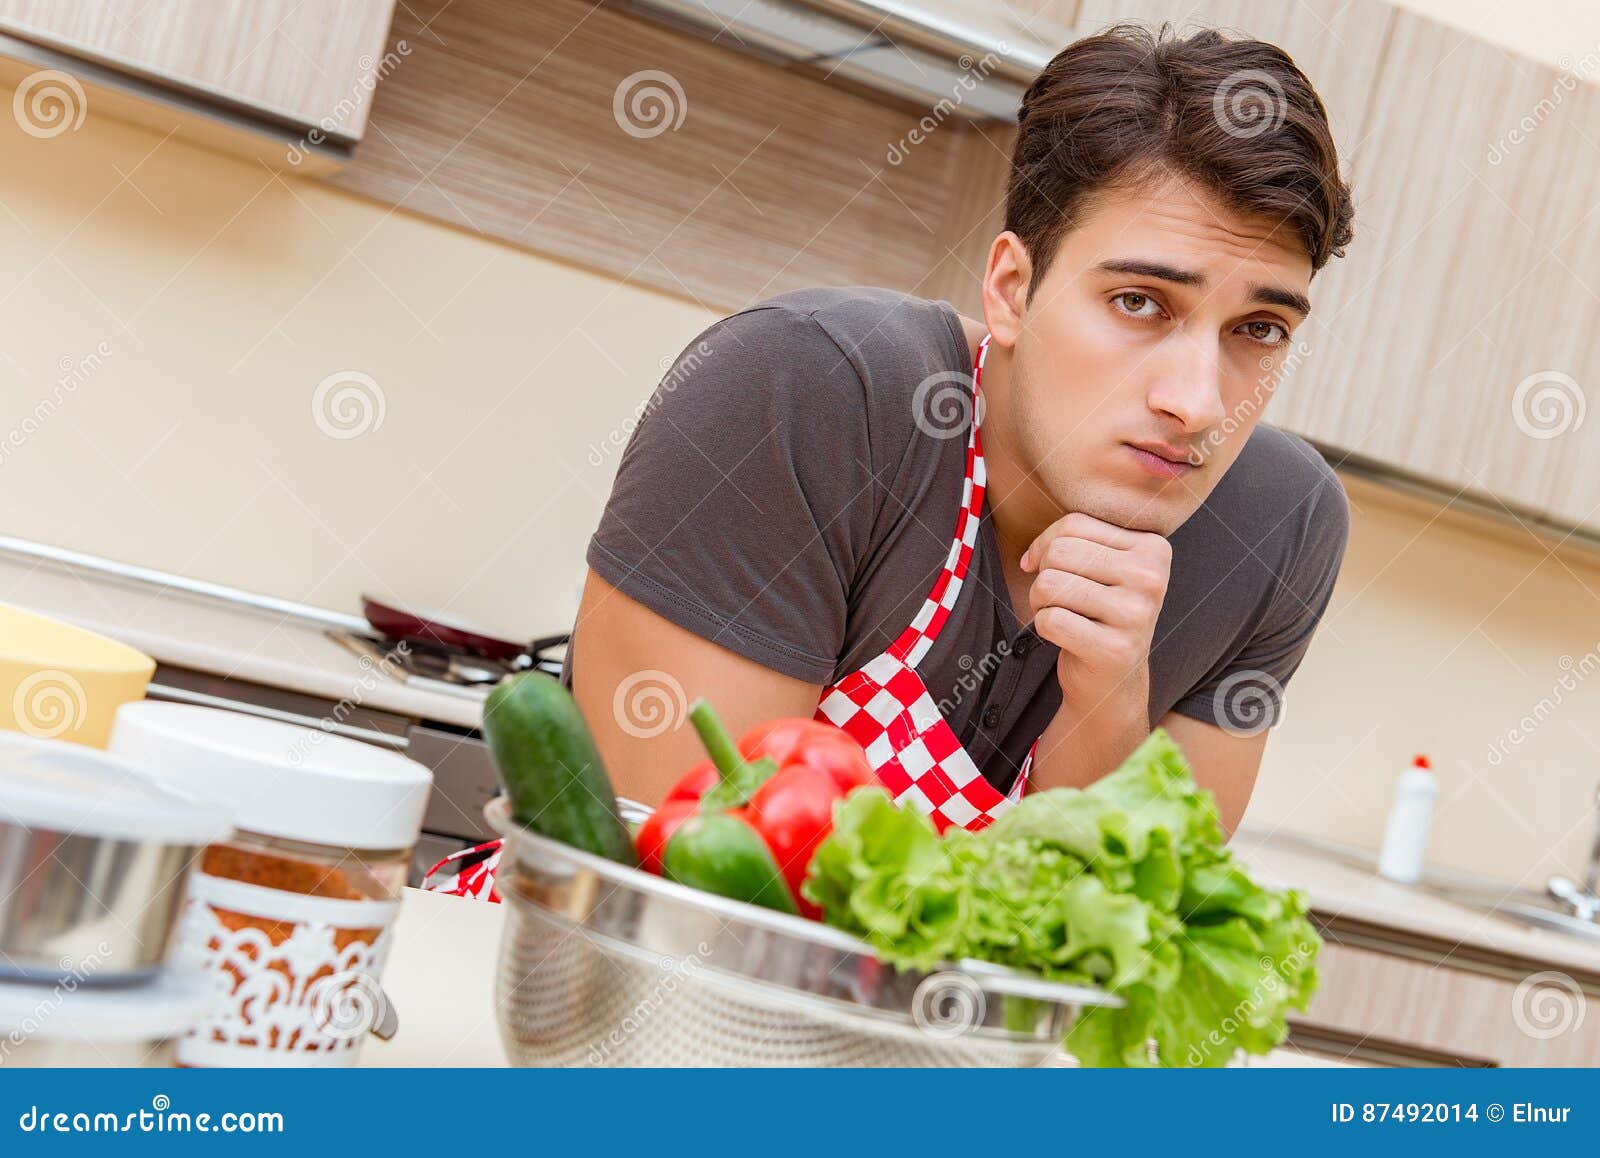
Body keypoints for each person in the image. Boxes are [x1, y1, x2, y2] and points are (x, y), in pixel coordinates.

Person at [566, 22, 1354, 835]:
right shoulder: (807, 389)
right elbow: (673, 893)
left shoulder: (1278, 531)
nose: (1196, 404)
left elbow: (1126, 938)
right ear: (1011, 289)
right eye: (1139, 302)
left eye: (1259, 328)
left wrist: (1112, 705)